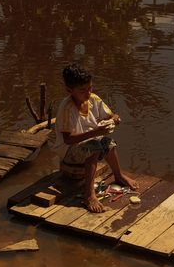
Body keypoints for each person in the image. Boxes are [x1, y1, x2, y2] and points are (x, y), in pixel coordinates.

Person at [56, 63, 137, 213]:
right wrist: (95, 132)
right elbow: (68, 140)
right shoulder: (67, 107)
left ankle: (118, 175)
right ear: (69, 90)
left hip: (89, 143)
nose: (88, 93)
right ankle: (89, 195)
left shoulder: (93, 99)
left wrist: (115, 118)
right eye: (82, 91)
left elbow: (110, 114)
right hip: (69, 152)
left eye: (90, 88)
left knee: (108, 142)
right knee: (94, 146)